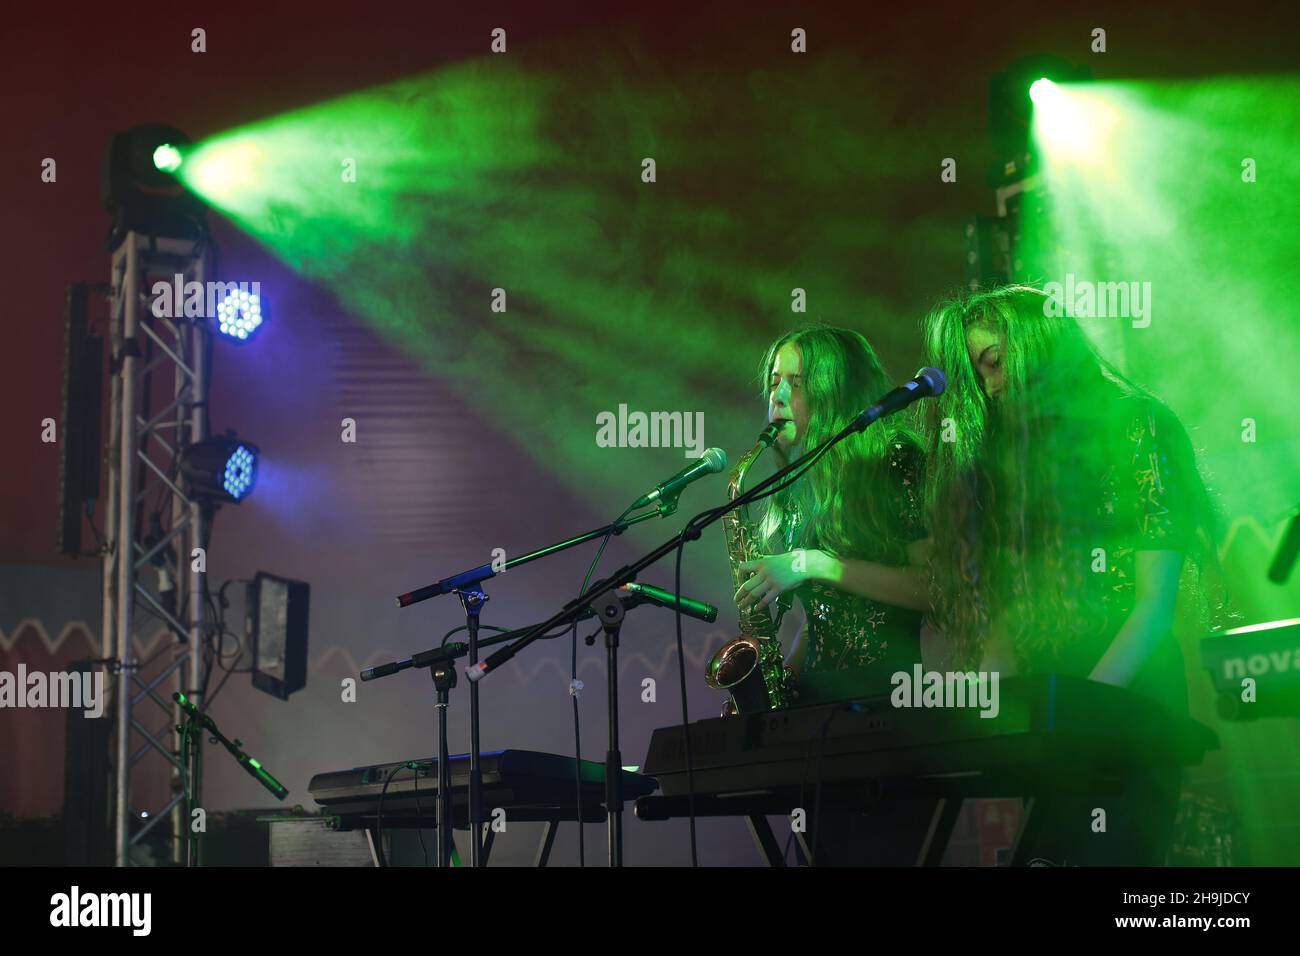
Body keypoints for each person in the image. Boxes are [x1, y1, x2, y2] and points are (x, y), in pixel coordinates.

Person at [918, 283, 1225, 866]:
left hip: (1127, 694)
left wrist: (1078, 715)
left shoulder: (1139, 423)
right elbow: (1013, 607)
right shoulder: (1019, 456)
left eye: (995, 363)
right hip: (1056, 709)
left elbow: (1153, 609)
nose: (991, 386)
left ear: (1038, 348)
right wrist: (990, 708)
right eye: (979, 373)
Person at [733, 326, 935, 865]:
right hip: (818, 718)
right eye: (774, 380)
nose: (777, 395)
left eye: (795, 382)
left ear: (833, 389)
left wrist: (813, 564)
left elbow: (937, 588)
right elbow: (824, 617)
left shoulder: (894, 457)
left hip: (888, 712)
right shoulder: (798, 484)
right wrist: (774, 683)